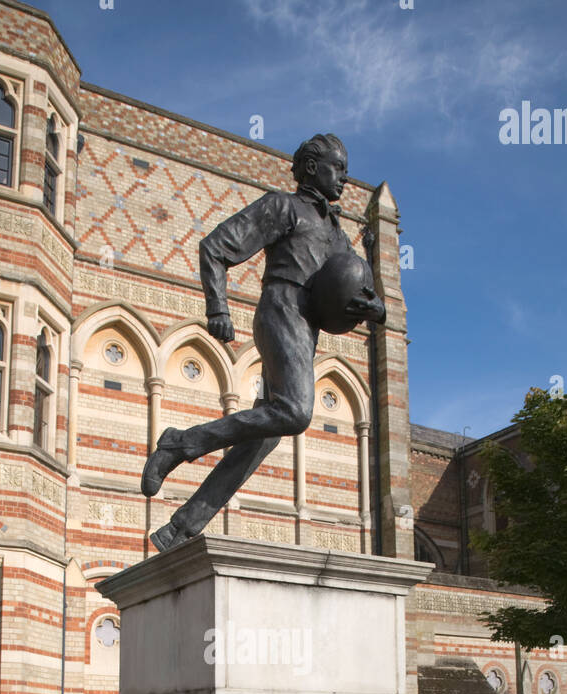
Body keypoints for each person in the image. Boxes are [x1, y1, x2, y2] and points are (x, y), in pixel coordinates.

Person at [141, 132, 386, 552]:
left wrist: (374, 309)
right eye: (337, 168)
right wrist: (218, 308)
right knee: (294, 412)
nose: (344, 178)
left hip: (307, 327)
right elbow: (215, 247)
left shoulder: (338, 236)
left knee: (266, 432)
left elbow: (357, 290)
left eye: (346, 171)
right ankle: (180, 442)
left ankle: (182, 526)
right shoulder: (284, 207)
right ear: (311, 168)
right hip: (281, 308)